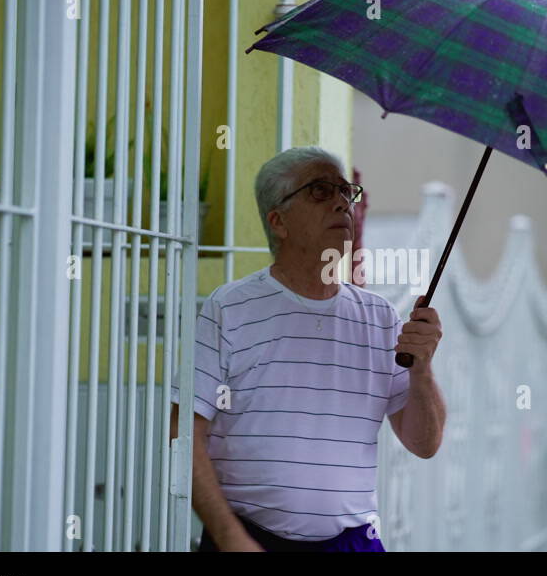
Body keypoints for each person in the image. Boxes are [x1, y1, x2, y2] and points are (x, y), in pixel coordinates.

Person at [170, 146, 446, 552]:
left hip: (353, 543)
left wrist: (422, 370)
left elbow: (424, 444)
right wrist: (229, 536)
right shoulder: (229, 308)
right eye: (320, 190)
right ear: (278, 221)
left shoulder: (381, 318)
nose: (341, 202)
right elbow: (183, 433)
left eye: (345, 192)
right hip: (249, 538)